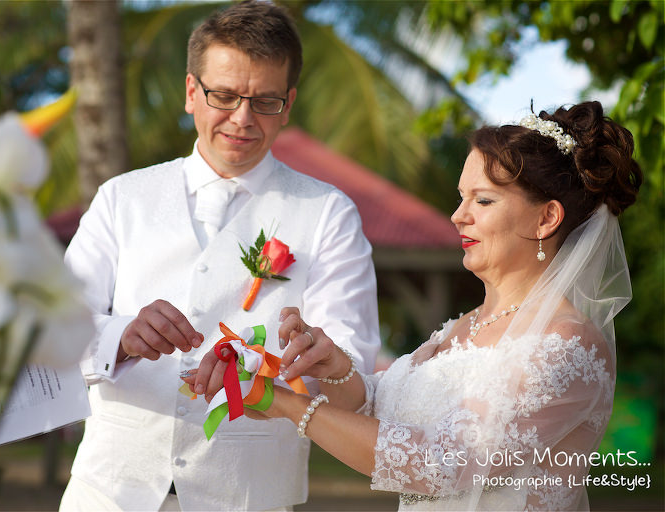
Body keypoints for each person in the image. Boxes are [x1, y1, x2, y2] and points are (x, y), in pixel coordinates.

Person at [186, 100, 643, 510]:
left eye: (483, 200)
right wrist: (336, 367)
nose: (458, 215)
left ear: (547, 217)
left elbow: (444, 462)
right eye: (461, 198)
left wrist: (285, 404)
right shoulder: (459, 328)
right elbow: (379, 412)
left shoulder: (567, 342)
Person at [59, 1, 380, 511]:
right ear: (191, 92)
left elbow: (350, 373)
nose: (243, 119)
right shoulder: (122, 198)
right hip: (109, 492)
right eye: (225, 96)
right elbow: (55, 328)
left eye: (266, 102)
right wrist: (120, 337)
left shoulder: (327, 213)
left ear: (289, 103)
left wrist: (293, 359)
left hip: (248, 496)